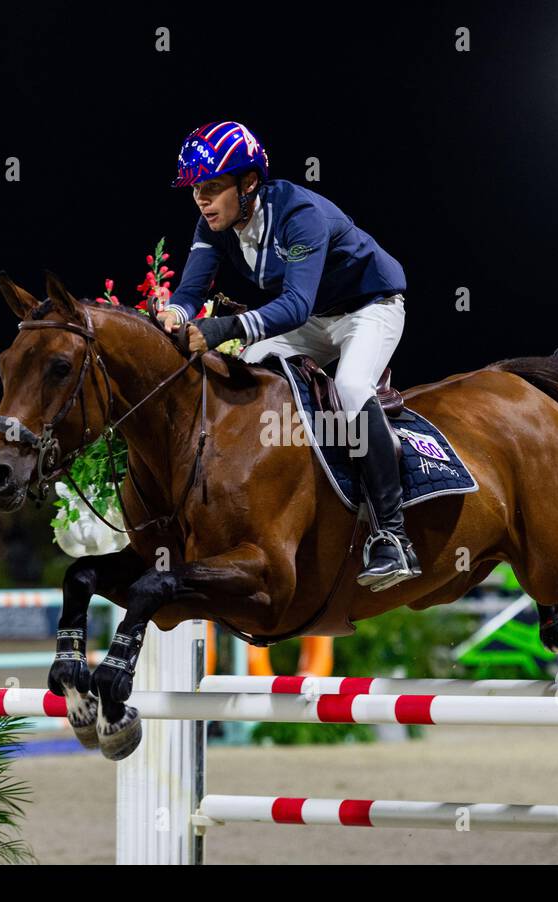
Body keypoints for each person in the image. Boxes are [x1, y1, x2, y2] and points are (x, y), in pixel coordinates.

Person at [159, 121, 420, 591]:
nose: (202, 199)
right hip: (318, 317)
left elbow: (294, 305)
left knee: (352, 387)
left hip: (371, 307)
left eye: (213, 187)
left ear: (249, 182)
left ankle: (392, 534)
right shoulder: (214, 222)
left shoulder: (299, 213)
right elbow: (192, 288)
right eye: (197, 189)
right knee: (252, 362)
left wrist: (220, 329)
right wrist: (174, 315)